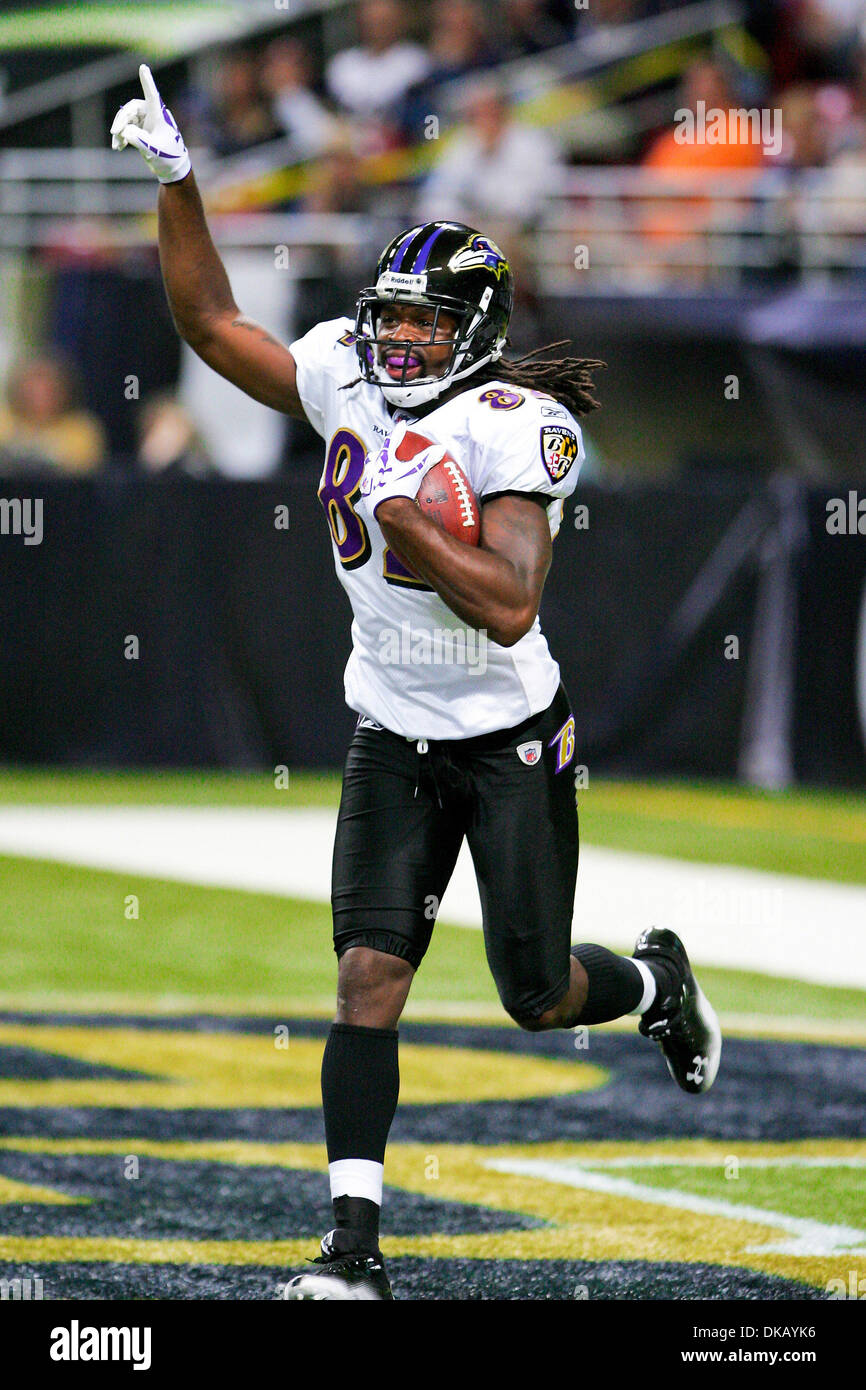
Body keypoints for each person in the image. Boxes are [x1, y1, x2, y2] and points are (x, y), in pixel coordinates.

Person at [111, 65, 723, 1303]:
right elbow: (210, 325)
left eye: (425, 329)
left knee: (537, 993)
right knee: (364, 983)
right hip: (388, 724)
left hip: (505, 734)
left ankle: (657, 982)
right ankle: (353, 1251)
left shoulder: (514, 423)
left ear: (477, 337)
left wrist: (400, 509)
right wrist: (181, 184)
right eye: (390, 319)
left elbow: (507, 603)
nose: (396, 342)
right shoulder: (343, 367)